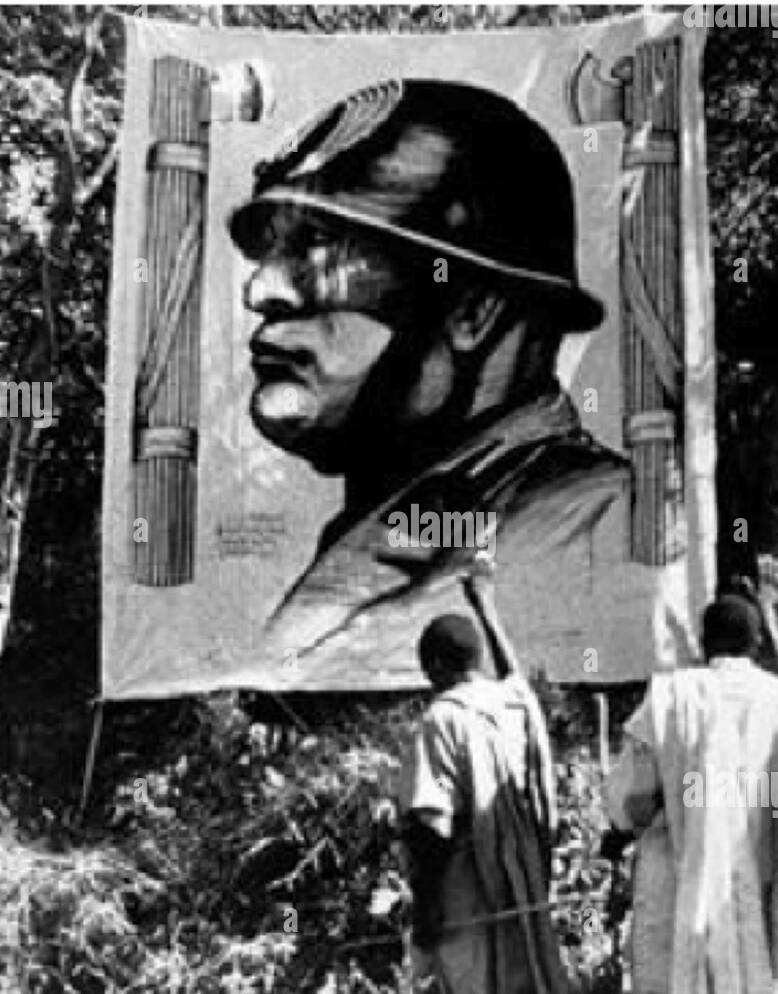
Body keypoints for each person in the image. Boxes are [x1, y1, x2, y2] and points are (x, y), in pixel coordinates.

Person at [227, 78, 643, 685]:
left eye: (320, 246)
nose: (261, 289)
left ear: (474, 309)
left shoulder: (590, 514)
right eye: (272, 247)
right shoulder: (406, 514)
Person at [602, 564, 778, 994]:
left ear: (702, 640)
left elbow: (635, 797)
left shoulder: (672, 693)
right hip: (747, 883)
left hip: (674, 872)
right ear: (757, 643)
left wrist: (623, 828)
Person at [396, 552, 572, 994]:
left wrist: (426, 909)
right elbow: (515, 677)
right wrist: (485, 604)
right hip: (521, 889)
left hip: (464, 895)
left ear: (436, 667)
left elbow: (432, 825)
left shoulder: (442, 719)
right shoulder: (514, 706)